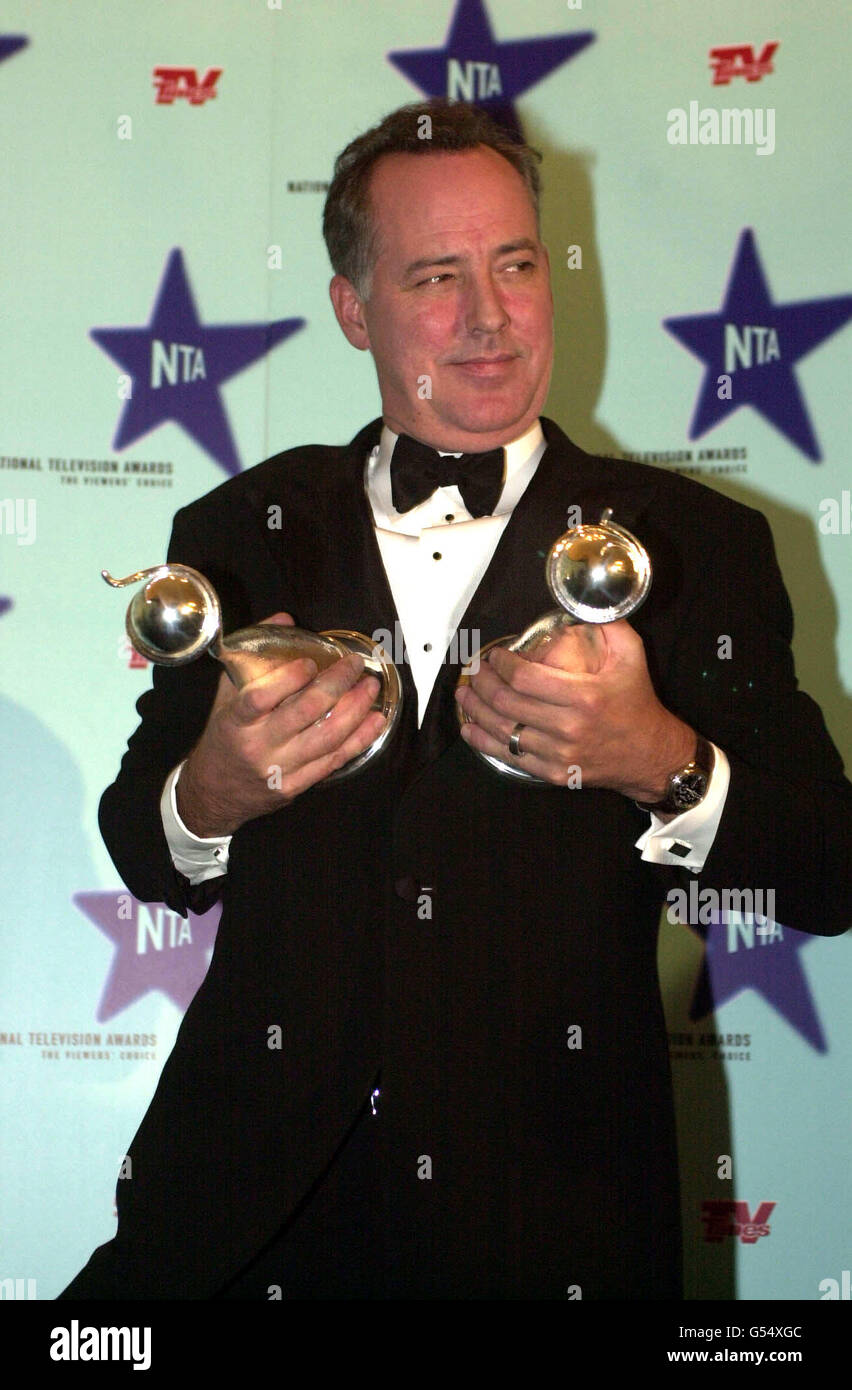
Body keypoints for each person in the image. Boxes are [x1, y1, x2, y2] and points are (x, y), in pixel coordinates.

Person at [61, 100, 851, 1301]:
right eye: (437, 276)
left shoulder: (695, 544)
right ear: (351, 307)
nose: (491, 317)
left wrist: (662, 761)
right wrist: (210, 790)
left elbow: (828, 867)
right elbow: (146, 847)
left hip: (554, 1235)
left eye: (518, 264)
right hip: (236, 1227)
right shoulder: (238, 531)